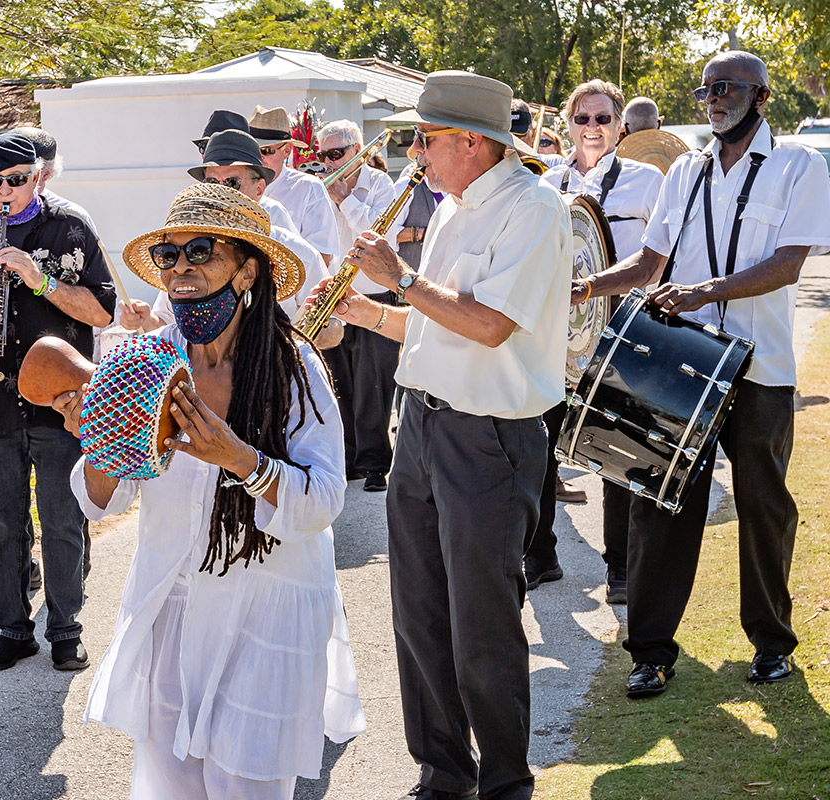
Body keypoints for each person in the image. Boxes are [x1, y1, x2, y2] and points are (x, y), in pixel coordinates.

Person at [312, 70, 570, 799]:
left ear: (471, 141)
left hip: (489, 437)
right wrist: (361, 314)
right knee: (419, 611)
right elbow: (436, 321)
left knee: (482, 623)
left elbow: (489, 326)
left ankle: (506, 783)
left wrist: (396, 278)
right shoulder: (455, 205)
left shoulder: (534, 209)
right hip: (423, 424)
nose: (415, 153)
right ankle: (443, 773)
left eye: (425, 139)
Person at [59, 182, 365, 799]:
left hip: (270, 603)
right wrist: (99, 438)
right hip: (170, 601)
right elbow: (101, 500)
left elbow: (325, 497)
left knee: (245, 785)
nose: (181, 269)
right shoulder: (145, 357)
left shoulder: (292, 366)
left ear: (248, 269)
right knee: (173, 788)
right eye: (169, 256)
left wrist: (242, 462)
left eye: (201, 250)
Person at [575, 51, 830, 697]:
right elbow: (650, 262)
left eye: (726, 88)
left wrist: (704, 290)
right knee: (658, 500)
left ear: (761, 95)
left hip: (760, 368)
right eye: (705, 89)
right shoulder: (685, 169)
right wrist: (584, 287)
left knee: (763, 505)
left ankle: (772, 643)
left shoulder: (800, 164)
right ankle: (651, 652)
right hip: (684, 358)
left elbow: (789, 264)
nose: (712, 97)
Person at [0, 132, 116, 672]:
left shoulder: (69, 230)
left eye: (17, 180)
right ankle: (13, 628)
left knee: (61, 517)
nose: (4, 191)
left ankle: (65, 628)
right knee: (3, 521)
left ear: (38, 177)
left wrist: (41, 282)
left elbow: (103, 312)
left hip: (62, 403)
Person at [535, 79, 665, 601]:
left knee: (615, 448)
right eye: (583, 119)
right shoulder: (545, 181)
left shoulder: (646, 180)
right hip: (553, 334)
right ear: (568, 124)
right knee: (540, 445)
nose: (593, 128)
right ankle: (539, 555)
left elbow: (663, 255)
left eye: (603, 118)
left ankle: (620, 567)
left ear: (620, 125)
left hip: (622, 329)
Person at [120, 130, 330, 337]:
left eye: (232, 183)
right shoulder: (186, 251)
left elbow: (333, 330)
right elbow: (165, 320)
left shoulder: (299, 253)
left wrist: (304, 335)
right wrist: (143, 319)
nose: (220, 192)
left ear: (259, 189)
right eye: (212, 183)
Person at [316, 119, 400, 492]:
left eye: (336, 154)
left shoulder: (381, 184)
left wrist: (345, 200)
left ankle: (375, 463)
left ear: (357, 150)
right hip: (336, 296)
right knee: (340, 382)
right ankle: (348, 459)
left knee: (373, 385)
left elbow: (382, 235)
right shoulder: (320, 189)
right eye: (324, 156)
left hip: (374, 295)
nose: (329, 163)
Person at [250, 105, 341, 266]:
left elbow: (322, 255)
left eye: (267, 150)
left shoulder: (309, 187)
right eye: (253, 150)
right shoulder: (238, 185)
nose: (259, 157)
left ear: (287, 151)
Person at [512, 98, 567, 169]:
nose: (515, 143)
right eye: (510, 136)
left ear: (533, 134)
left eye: (521, 136)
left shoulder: (555, 163)